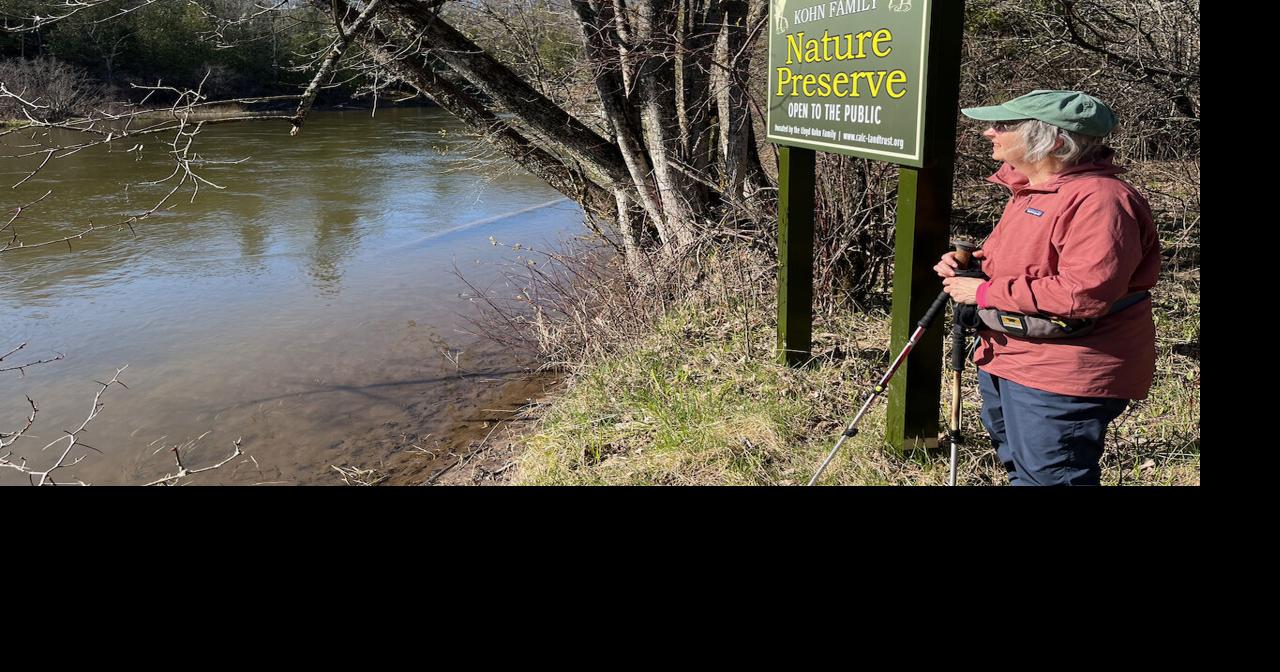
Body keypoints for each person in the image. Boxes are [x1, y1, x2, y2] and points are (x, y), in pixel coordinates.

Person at [934, 90, 1160, 486]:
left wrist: (983, 294)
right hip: (1011, 355)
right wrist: (973, 264)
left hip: (1064, 371)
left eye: (1005, 125)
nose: (990, 132)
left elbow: (1083, 293)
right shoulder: (1033, 190)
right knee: (1023, 471)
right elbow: (1025, 260)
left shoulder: (1101, 202)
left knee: (1052, 479)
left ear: (1053, 139)